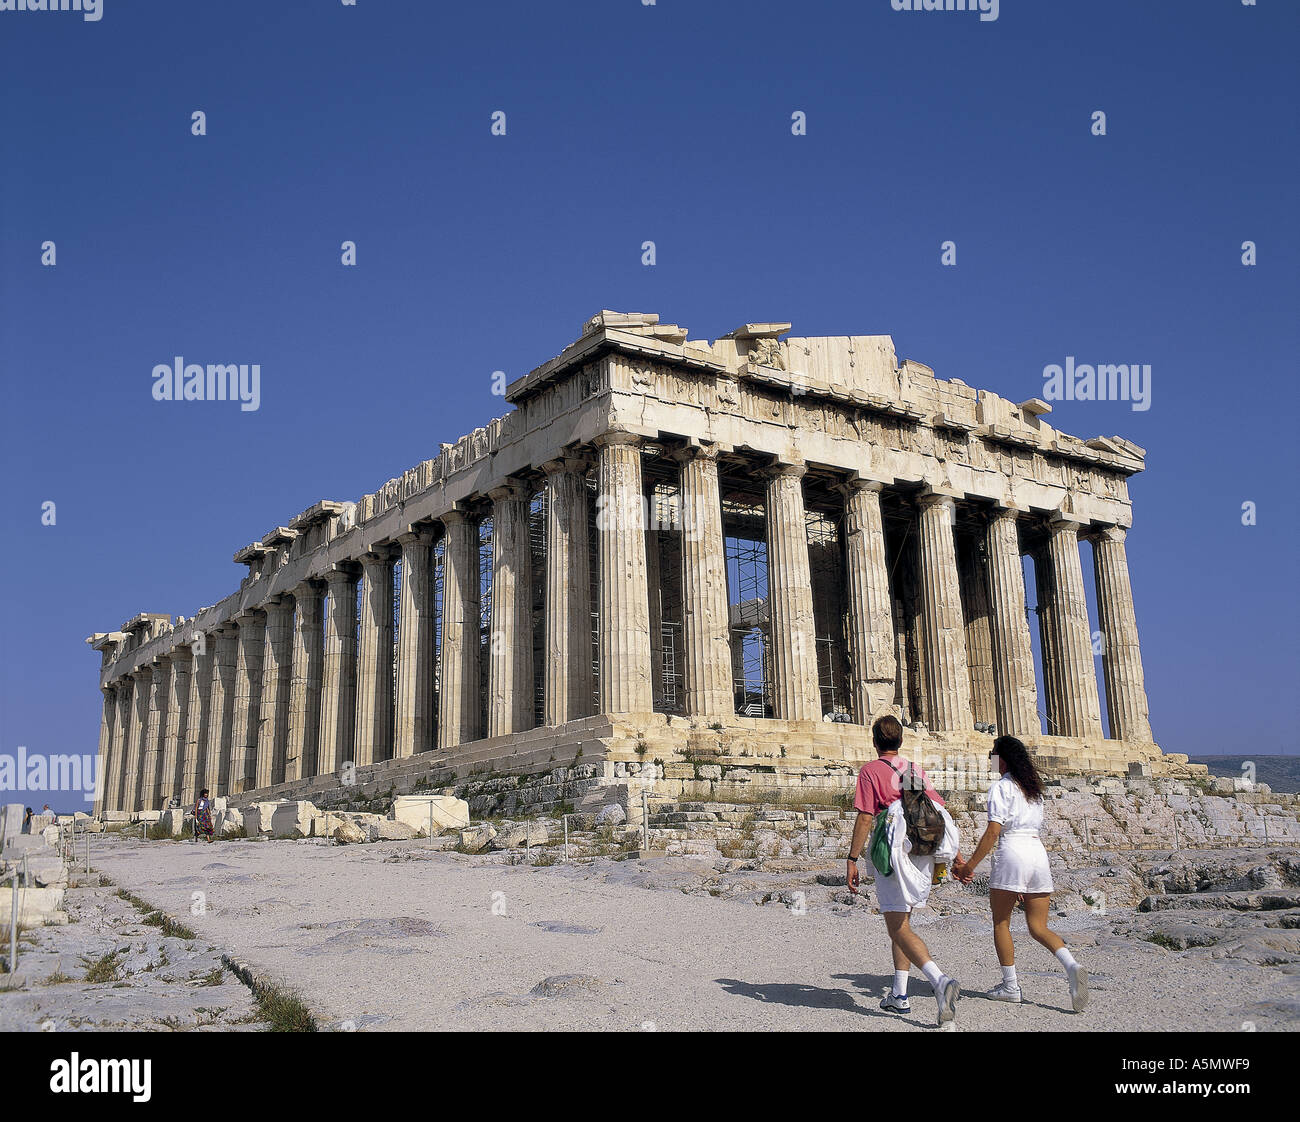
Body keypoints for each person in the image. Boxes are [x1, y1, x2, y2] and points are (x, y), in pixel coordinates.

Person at [952, 735, 1088, 1012]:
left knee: (1001, 923)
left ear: (1001, 758)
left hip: (1012, 851)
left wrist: (969, 867)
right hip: (1037, 854)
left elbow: (993, 832)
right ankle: (1072, 966)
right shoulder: (1033, 790)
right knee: (1038, 927)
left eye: (992, 755)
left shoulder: (1001, 788)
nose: (990, 759)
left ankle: (1010, 986)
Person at [846, 715, 961, 1025]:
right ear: (899, 741)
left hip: (893, 848)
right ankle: (899, 994)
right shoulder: (911, 770)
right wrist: (956, 856)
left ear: (875, 741)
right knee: (902, 920)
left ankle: (940, 982)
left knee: (897, 926)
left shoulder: (871, 771)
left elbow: (866, 818)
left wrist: (852, 858)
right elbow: (939, 811)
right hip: (920, 850)